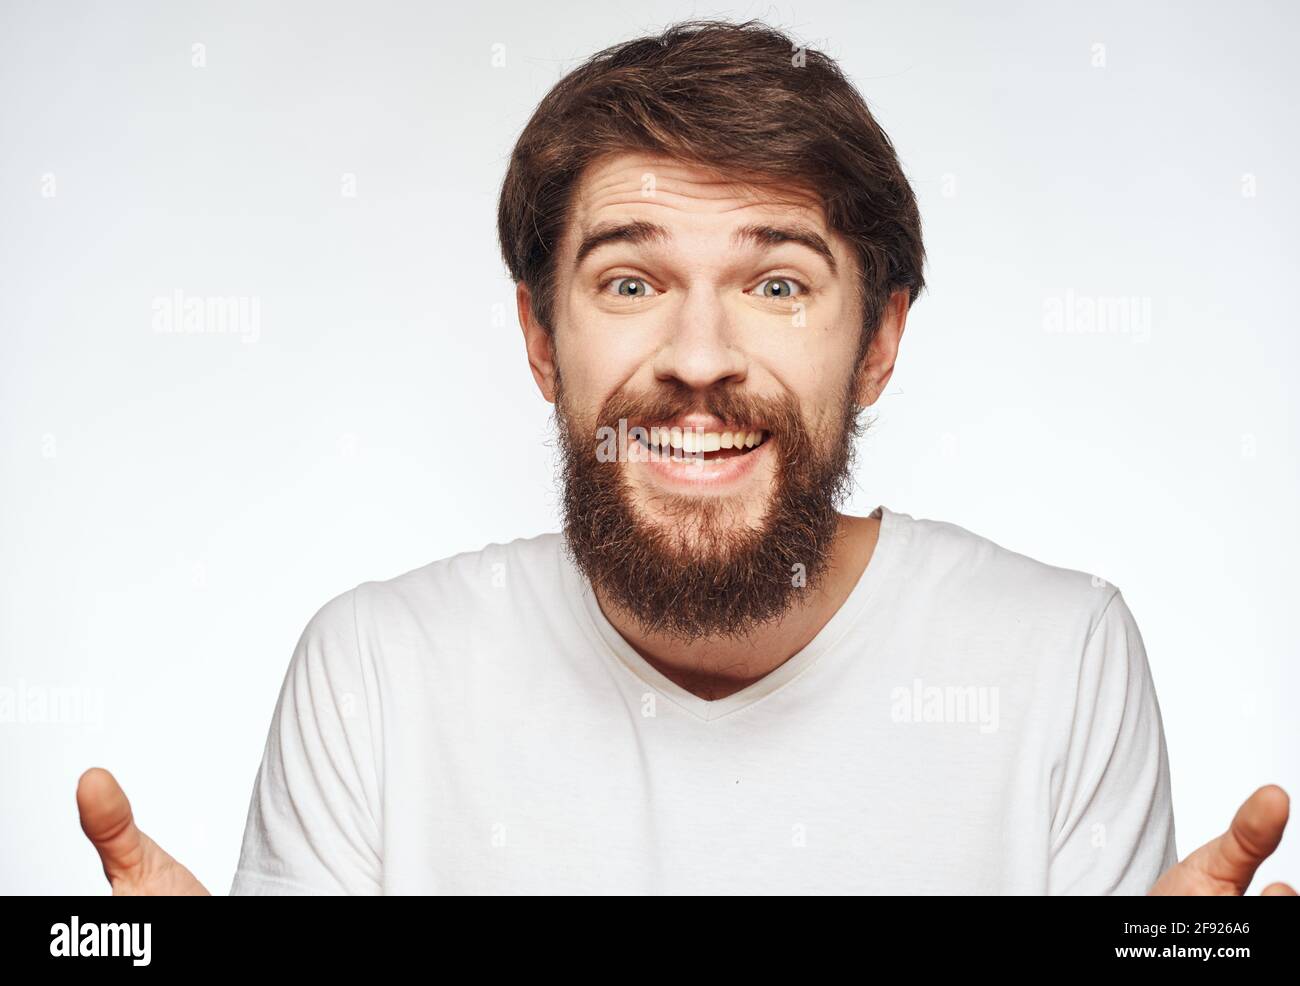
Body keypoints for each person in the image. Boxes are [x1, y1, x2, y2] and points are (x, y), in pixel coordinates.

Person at [77, 18, 1293, 895]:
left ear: (877, 341)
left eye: (775, 282)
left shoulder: (1057, 656)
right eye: (629, 279)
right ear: (540, 339)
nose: (699, 356)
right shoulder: (377, 675)